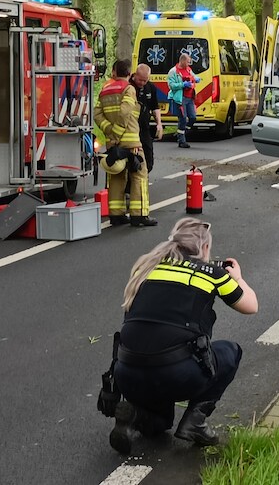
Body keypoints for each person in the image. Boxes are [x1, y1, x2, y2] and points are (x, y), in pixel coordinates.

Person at [109, 218, 259, 454]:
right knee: (230, 351)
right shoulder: (212, 273)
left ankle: (135, 414)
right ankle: (195, 422)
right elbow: (251, 306)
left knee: (161, 423)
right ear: (205, 248)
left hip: (127, 373)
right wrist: (237, 278)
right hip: (175, 373)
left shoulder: (145, 267)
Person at [96, 59, 157, 227]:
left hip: (112, 144)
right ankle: (139, 215)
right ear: (129, 74)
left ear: (114, 72)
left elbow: (97, 114)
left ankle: (116, 215)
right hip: (131, 142)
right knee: (139, 174)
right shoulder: (128, 89)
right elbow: (125, 112)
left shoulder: (105, 89)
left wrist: (109, 131)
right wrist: (117, 133)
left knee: (116, 176)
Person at [132, 64, 164, 173]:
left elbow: (155, 107)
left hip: (144, 128)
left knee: (148, 160)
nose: (142, 83)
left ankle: (142, 179)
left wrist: (159, 124)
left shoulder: (151, 88)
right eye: (140, 80)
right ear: (135, 75)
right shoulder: (128, 87)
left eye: (145, 81)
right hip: (131, 129)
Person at [167, 53, 200, 149]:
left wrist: (196, 79)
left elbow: (193, 76)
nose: (189, 64)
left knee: (193, 117)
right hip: (180, 99)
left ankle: (181, 132)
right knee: (182, 118)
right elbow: (171, 85)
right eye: (188, 62)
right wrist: (183, 84)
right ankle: (181, 141)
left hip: (190, 98)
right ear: (182, 61)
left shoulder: (188, 69)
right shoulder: (173, 71)